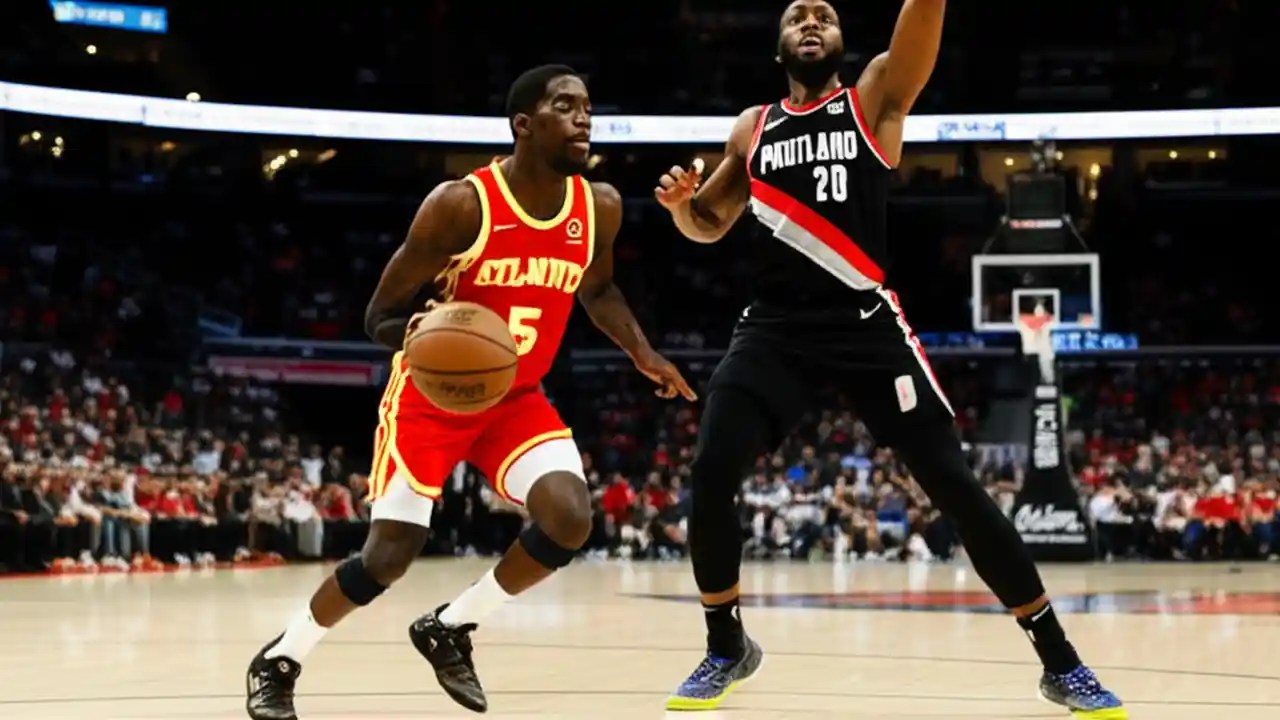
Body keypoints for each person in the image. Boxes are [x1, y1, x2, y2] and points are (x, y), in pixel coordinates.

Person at [654, 2, 1127, 718]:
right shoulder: (753, 127)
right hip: (775, 330)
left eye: (825, 15)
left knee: (957, 489)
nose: (811, 21)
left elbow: (921, 22)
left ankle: (1061, 662)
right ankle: (726, 647)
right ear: (778, 43)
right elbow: (709, 225)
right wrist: (682, 209)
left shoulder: (874, 95)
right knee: (713, 468)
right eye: (796, 16)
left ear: (843, 40)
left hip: (864, 320)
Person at [244, 64, 694, 719]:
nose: (583, 118)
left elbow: (595, 289)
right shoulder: (461, 205)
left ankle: (450, 626)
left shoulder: (599, 205)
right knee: (389, 557)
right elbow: (379, 316)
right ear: (524, 124)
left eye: (587, 107)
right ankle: (281, 657)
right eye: (564, 106)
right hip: (435, 397)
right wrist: (430, 331)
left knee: (570, 516)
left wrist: (643, 353)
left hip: (516, 397)